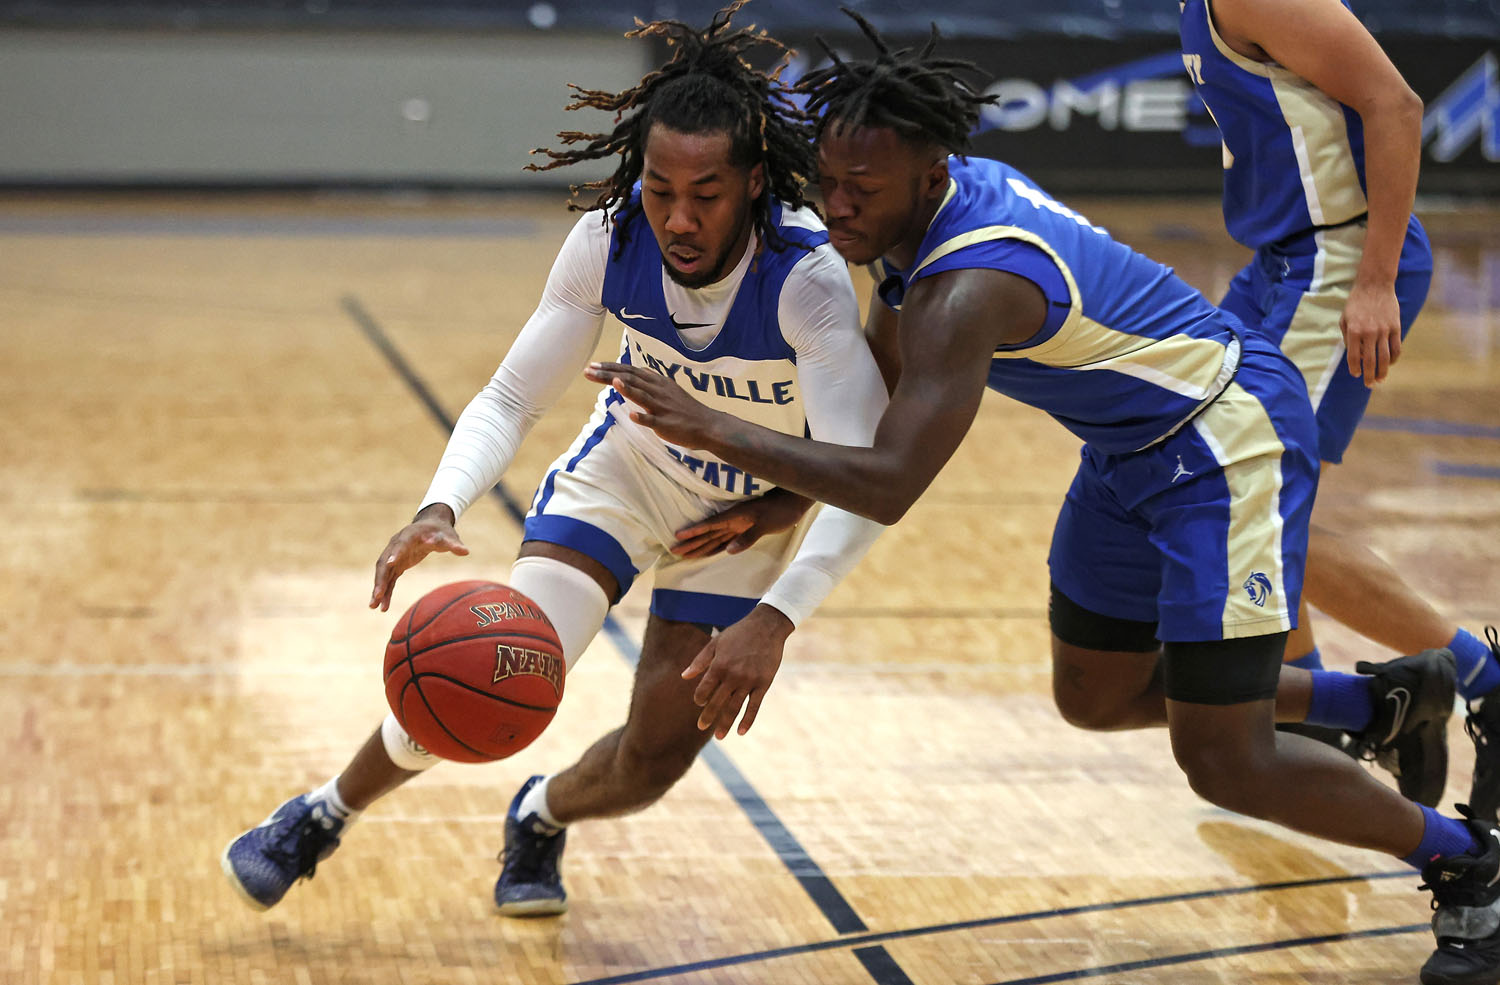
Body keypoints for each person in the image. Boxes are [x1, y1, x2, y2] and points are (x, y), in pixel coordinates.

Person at [584, 12, 1500, 984]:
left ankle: (1464, 864)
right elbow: (879, 403)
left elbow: (893, 480)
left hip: (1224, 445)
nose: (839, 210)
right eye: (831, 185)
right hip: (1131, 449)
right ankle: (1385, 699)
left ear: (929, 178)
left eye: (863, 191)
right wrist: (776, 503)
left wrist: (716, 427)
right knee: (1095, 693)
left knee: (1226, 757)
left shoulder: (968, 285)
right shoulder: (909, 233)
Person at [221, 1, 889, 919]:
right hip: (628, 475)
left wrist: (778, 609)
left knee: (653, 760)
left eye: (707, 194)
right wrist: (441, 504)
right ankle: (320, 813)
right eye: (660, 189)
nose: (679, 219)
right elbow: (509, 397)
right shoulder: (608, 238)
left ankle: (539, 813)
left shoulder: (804, 280)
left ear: (755, 182)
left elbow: (867, 479)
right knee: (489, 659)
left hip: (750, 512)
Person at [1180, 0, 1500, 813]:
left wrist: (1375, 280)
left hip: (1337, 261)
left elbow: (1395, 104)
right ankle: (1323, 714)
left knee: (1256, 505)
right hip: (1284, 260)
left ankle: (1481, 678)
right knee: (1237, 494)